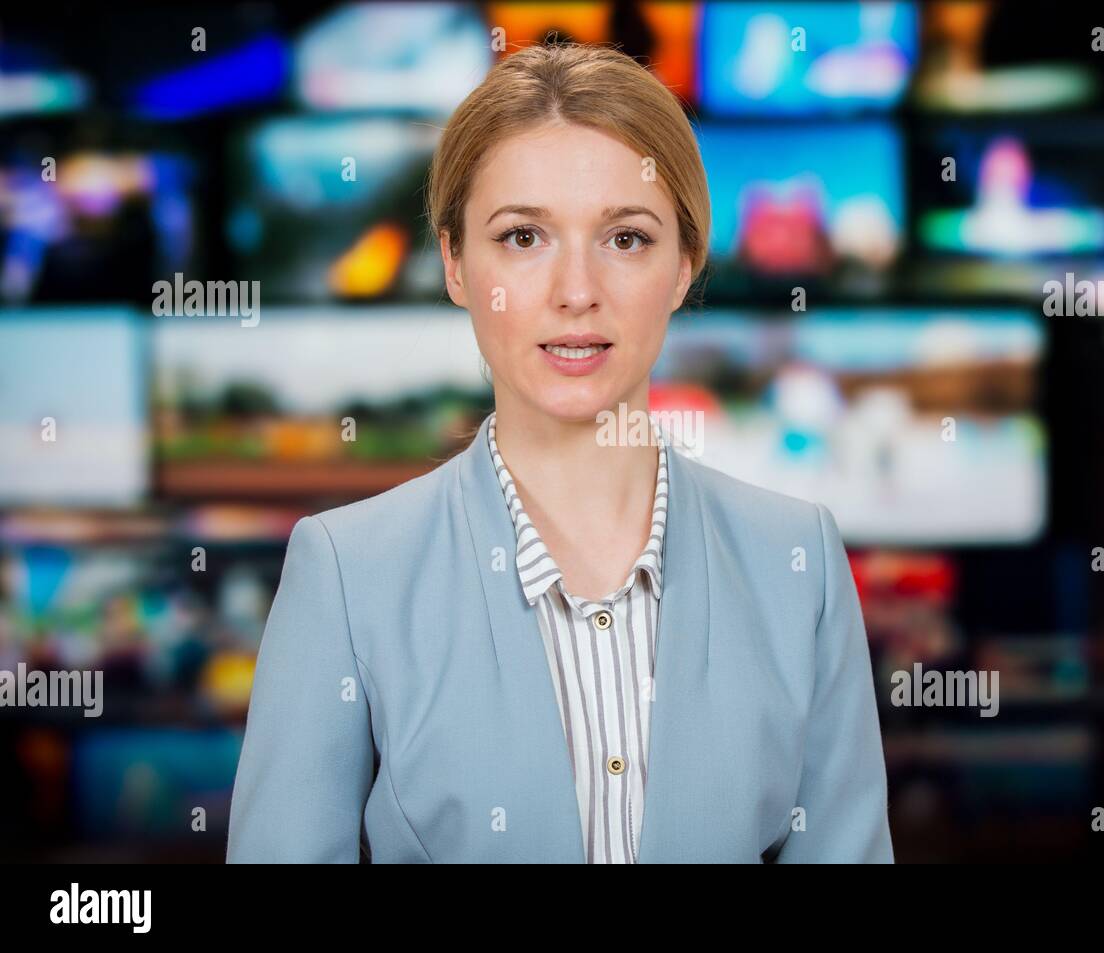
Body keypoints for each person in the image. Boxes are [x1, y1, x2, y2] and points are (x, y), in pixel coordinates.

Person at [227, 41, 892, 864]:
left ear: (685, 264)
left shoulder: (800, 561)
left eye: (625, 238)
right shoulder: (344, 573)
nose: (576, 291)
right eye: (523, 236)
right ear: (455, 264)